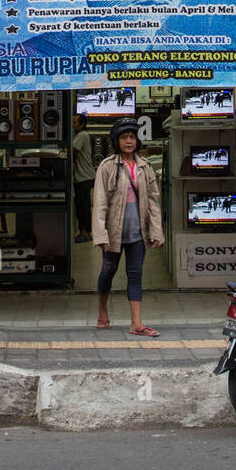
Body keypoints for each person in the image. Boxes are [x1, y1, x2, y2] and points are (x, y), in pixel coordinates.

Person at [92, 116, 163, 336]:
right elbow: (100, 202)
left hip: (137, 232)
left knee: (135, 274)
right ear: (117, 141)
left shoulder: (145, 167)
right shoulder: (106, 167)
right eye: (124, 137)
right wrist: (101, 234)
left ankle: (136, 323)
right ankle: (103, 309)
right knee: (107, 272)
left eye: (132, 137)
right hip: (113, 233)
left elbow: (153, 200)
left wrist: (155, 230)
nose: (129, 141)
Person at [72, 112, 96, 243]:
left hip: (84, 177)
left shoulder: (82, 135)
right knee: (80, 206)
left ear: (82, 124)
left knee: (83, 206)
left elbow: (73, 151)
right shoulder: (78, 135)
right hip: (82, 176)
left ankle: (86, 233)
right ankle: (84, 231)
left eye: (75, 122)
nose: (72, 124)